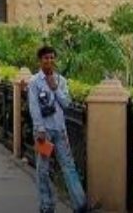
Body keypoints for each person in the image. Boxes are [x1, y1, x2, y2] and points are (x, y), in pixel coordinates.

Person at [28, 46, 94, 213]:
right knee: (43, 168)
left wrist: (55, 87)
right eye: (45, 58)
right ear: (40, 60)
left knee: (68, 166)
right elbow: (34, 107)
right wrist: (39, 128)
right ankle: (47, 204)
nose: (49, 61)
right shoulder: (34, 82)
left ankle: (80, 204)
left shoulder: (61, 80)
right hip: (43, 133)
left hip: (60, 130)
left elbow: (66, 104)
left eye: (51, 58)